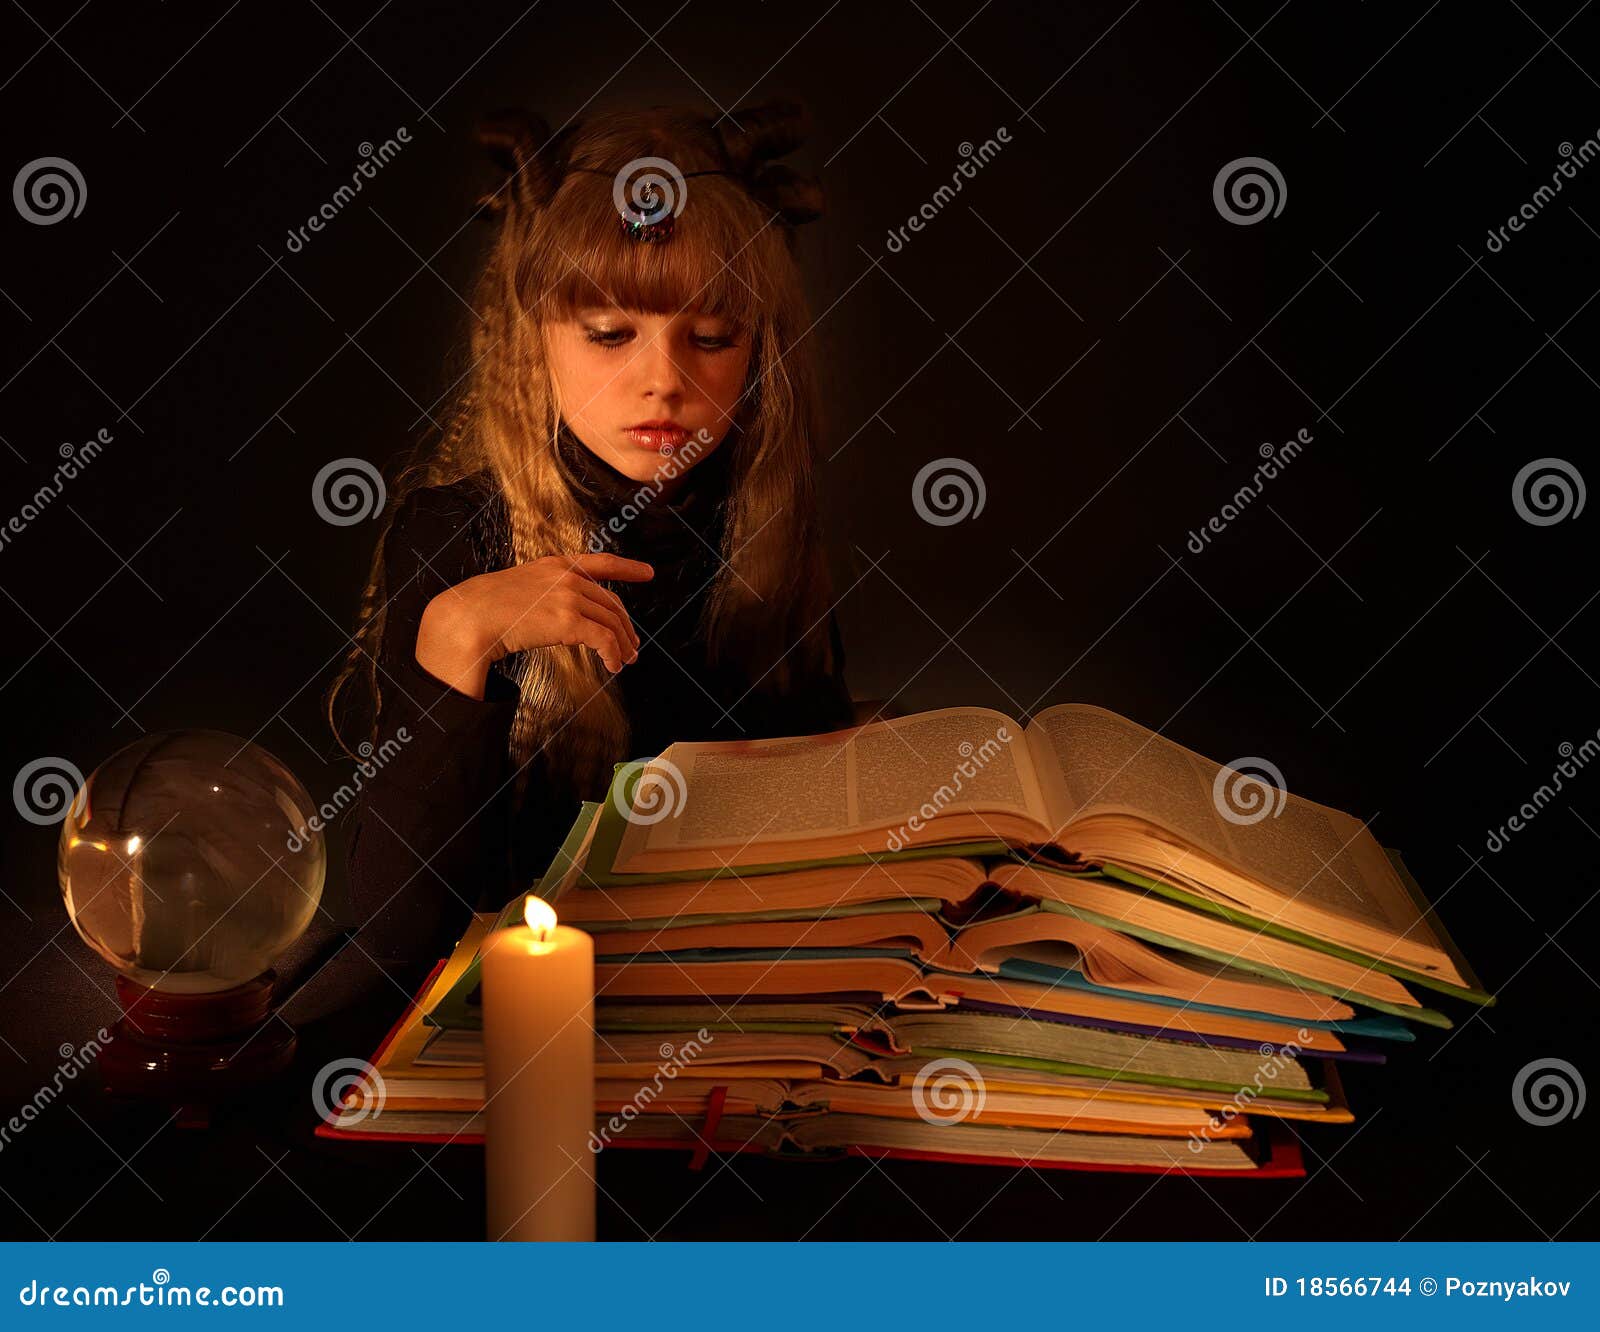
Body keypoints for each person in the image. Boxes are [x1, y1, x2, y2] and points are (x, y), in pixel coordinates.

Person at [324, 102, 856, 973]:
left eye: (711, 337)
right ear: (536, 338)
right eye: (611, 335)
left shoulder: (762, 522)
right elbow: (398, 936)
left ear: (757, 349)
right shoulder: (455, 534)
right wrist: (458, 639)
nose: (664, 381)